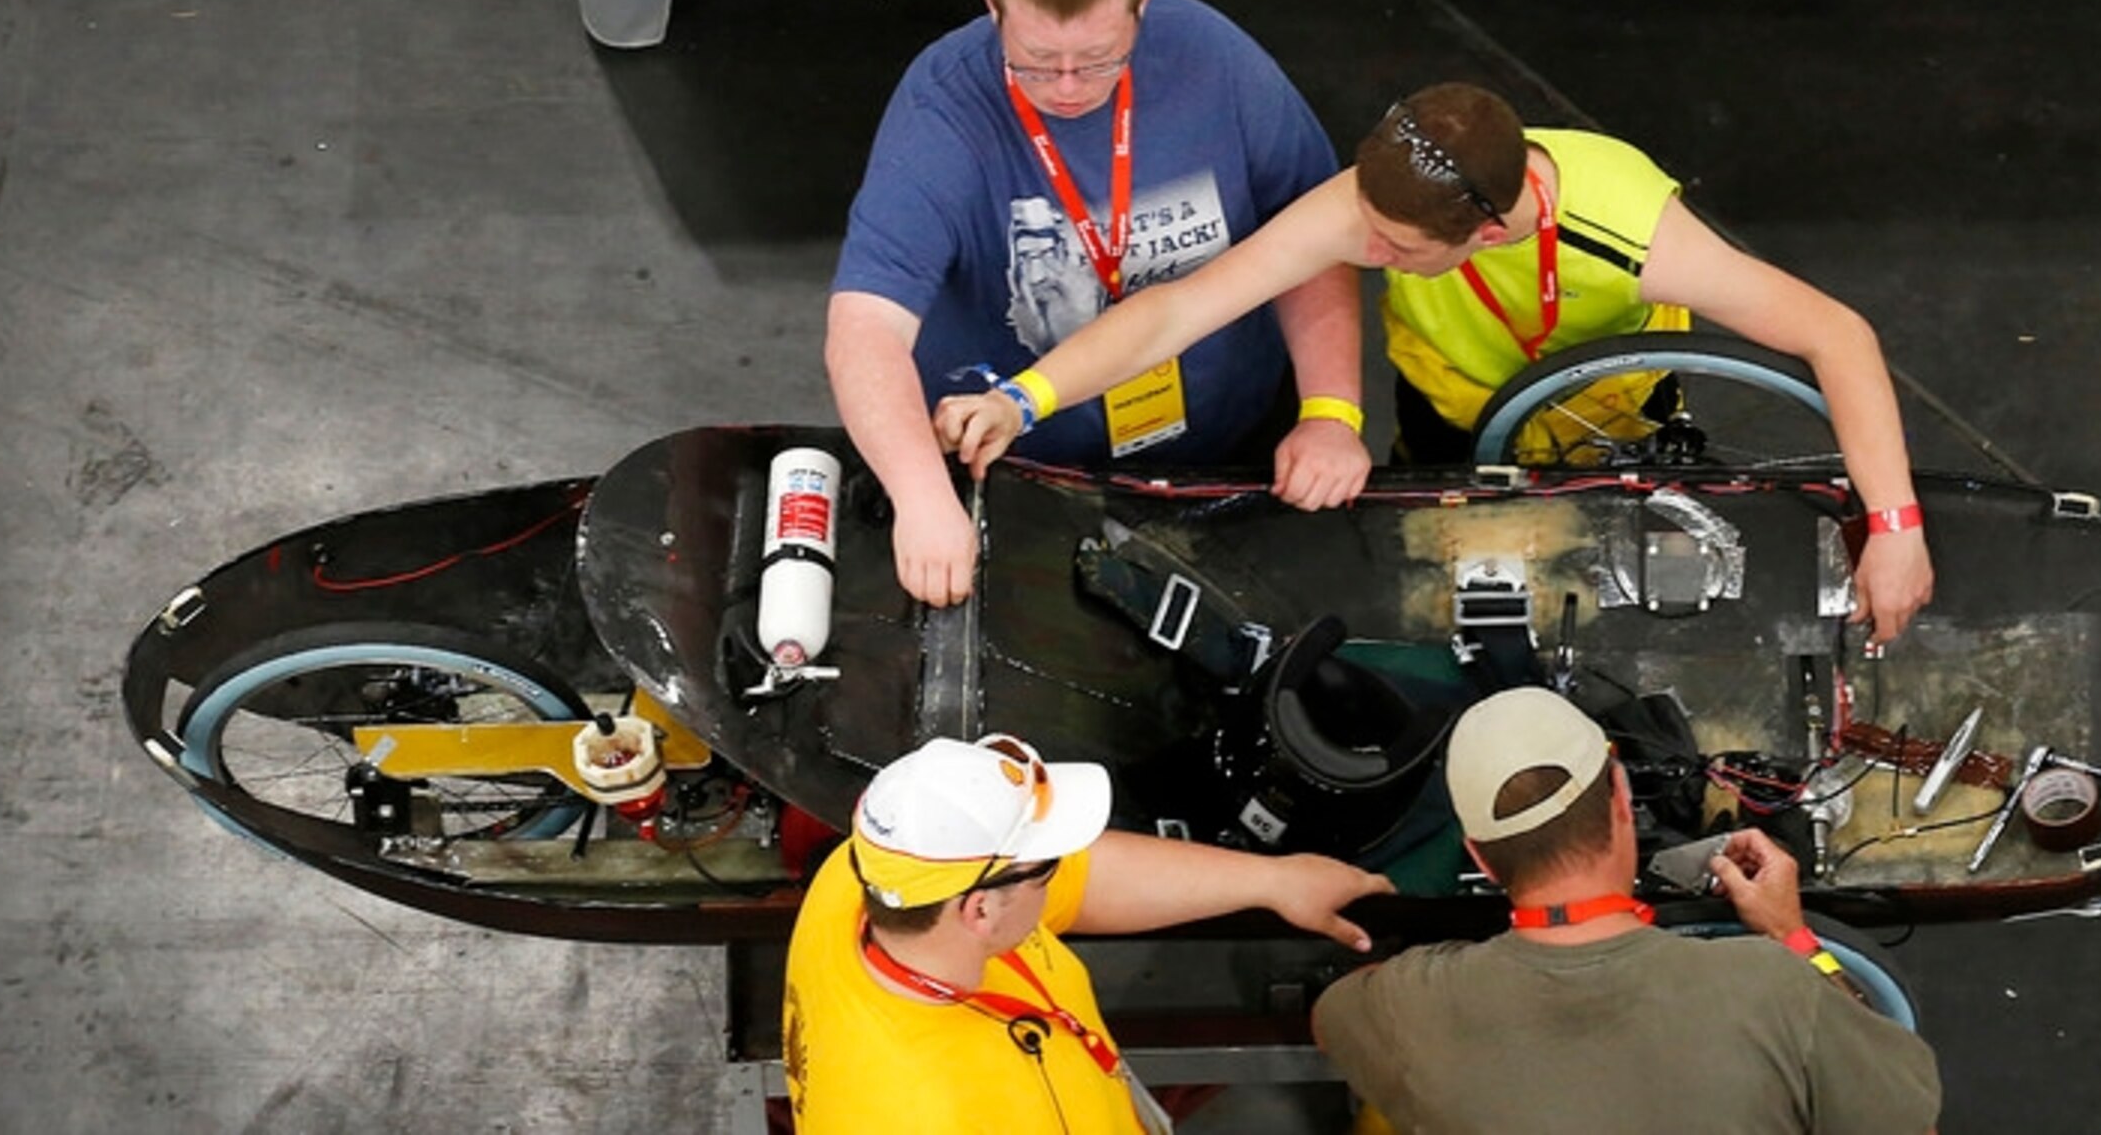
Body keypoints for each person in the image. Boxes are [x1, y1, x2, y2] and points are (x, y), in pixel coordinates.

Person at [933, 82, 1933, 642]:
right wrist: (1027, 398)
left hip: (1611, 410)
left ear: (1488, 229)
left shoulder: (1630, 221)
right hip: (1447, 417)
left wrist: (1893, 528)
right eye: (1365, 231)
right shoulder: (1371, 203)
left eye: (1399, 252)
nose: (1368, 255)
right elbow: (1181, 310)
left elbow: (1837, 336)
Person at [828, 0, 1369, 609]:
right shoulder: (942, 110)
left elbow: (1315, 230)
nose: (1070, 86)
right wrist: (923, 498)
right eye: (1036, 61)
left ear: (1144, 0)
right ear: (993, 5)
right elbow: (865, 327)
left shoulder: (1217, 61)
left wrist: (1331, 411)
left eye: (1100, 57)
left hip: (1230, 441)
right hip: (1024, 467)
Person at [1309, 687, 1941, 1135]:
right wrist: (1792, 937)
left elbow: (1329, 1018)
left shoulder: (1413, 1005)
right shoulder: (1773, 990)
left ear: (1481, 854)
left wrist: (1430, 981)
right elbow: (1909, 1122)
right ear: (1618, 792)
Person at [782, 731, 1392, 1134]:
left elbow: (1089, 876)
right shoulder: (932, 1112)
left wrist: (1273, 883)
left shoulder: (873, 877)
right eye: (1044, 867)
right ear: (980, 913)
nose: (1062, 871)